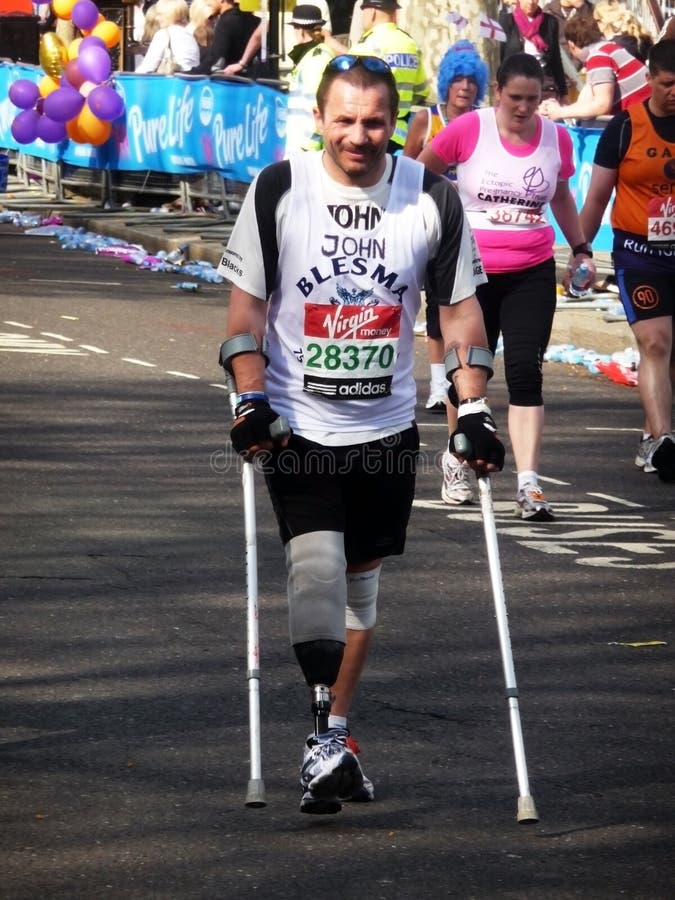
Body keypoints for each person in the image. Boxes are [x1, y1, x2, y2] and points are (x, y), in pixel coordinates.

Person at [218, 54, 505, 814]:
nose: (357, 135)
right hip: (298, 424)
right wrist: (249, 398)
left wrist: (473, 408)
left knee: (360, 579)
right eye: (343, 119)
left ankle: (336, 733)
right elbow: (247, 311)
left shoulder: (431, 197)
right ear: (318, 118)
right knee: (316, 566)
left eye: (373, 121)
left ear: (394, 122)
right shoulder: (279, 189)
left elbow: (459, 314)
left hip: (385, 427)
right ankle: (321, 737)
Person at [419, 53, 596, 520]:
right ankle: (458, 457)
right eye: (515, 97)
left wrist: (580, 248)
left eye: (533, 99)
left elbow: (561, 195)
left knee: (525, 373)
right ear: (498, 92)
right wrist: (444, 219)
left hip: (531, 270)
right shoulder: (469, 129)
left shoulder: (556, 138)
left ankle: (528, 483)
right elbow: (420, 173)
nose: (523, 108)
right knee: (468, 372)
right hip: (470, 272)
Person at [578, 39, 675, 482]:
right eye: (667, 83)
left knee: (672, 351)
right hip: (639, 254)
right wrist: (581, 252)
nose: (673, 92)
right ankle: (663, 440)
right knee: (655, 341)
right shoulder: (625, 127)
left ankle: (653, 432)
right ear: (649, 79)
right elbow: (597, 197)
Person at [403, 39, 489, 503]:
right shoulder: (427, 118)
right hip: (432, 221)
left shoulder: (482, 123)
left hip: (472, 229)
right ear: (446, 83)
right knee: (437, 309)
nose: (464, 88)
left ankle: (448, 385)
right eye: (458, 80)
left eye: (472, 82)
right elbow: (408, 166)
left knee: (456, 309)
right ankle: (439, 381)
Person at [326, 0, 429, 151]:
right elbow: (422, 90)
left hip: (370, 134)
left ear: (372, 12)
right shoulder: (410, 44)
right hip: (401, 134)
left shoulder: (365, 47)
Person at [540, 13, 651, 121]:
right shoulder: (610, 48)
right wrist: (559, 109)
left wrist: (560, 112)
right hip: (647, 112)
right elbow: (586, 100)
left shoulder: (598, 57)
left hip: (642, 119)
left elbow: (602, 106)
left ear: (571, 44)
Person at [283, 5, 335, 155]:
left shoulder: (316, 59)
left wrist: (310, 146)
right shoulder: (311, 55)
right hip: (302, 144)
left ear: (299, 30)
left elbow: (319, 104)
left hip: (306, 147)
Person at [499, 0, 569, 102]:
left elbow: (556, 59)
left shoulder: (550, 22)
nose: (531, 2)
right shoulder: (506, 21)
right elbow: (501, 58)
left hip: (544, 82)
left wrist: (564, 93)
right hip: (516, 80)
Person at [191, 0, 260, 75]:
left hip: (231, 79)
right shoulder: (255, 20)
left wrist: (191, 73)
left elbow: (215, 60)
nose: (207, 3)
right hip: (255, 77)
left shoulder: (225, 22)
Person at [135, 0, 200, 74]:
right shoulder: (191, 36)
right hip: (192, 79)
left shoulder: (163, 34)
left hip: (173, 79)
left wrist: (131, 78)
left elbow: (147, 67)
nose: (157, 18)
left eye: (160, 14)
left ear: (170, 15)